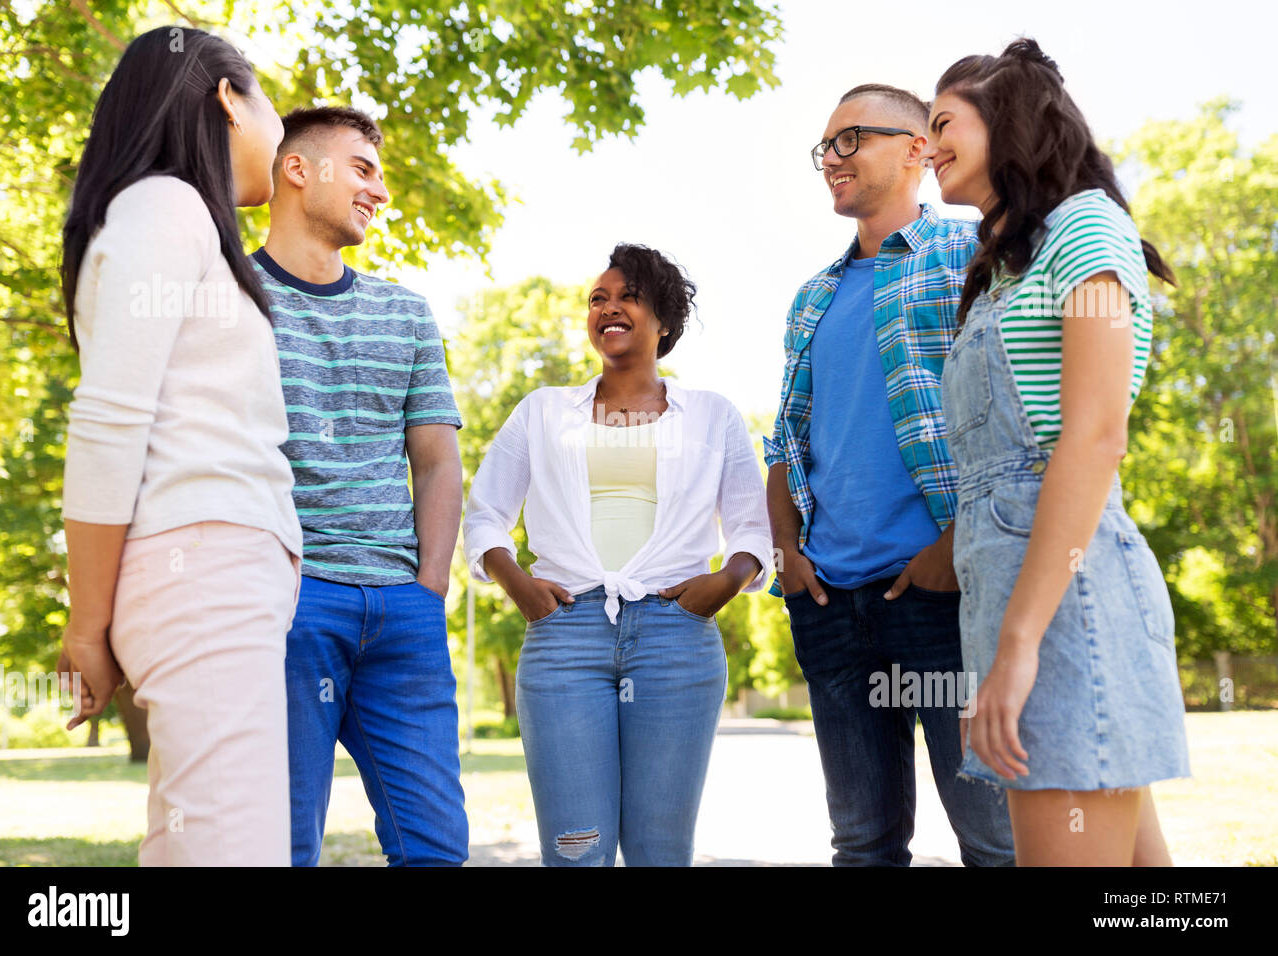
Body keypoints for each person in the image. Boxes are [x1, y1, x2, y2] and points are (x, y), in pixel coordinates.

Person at [927, 39, 1190, 865]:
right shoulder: (1002, 271)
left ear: (1005, 120)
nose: (926, 143)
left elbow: (1095, 437)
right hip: (1018, 598)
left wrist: (1020, 645)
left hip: (1065, 608)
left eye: (942, 121)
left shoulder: (1086, 226)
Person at [57, 27, 301, 866]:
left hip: (209, 572)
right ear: (227, 99)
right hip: (202, 570)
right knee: (234, 847)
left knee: (196, 842)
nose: (282, 128)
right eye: (269, 99)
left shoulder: (168, 216)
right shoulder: (167, 205)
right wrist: (87, 625)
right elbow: (108, 419)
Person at [764, 84, 1015, 866]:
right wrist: (789, 554)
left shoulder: (972, 252)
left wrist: (956, 544)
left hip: (942, 600)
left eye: (851, 140)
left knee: (997, 842)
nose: (831, 159)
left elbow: (1018, 409)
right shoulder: (812, 296)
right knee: (863, 845)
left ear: (916, 149)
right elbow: (784, 442)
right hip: (832, 605)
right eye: (824, 148)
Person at [463, 244, 773, 866]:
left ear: (664, 317)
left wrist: (727, 581)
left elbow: (752, 529)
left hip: (676, 641)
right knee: (577, 850)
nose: (608, 308)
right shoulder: (542, 412)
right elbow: (484, 516)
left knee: (661, 853)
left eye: (627, 296)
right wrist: (518, 583)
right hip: (564, 637)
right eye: (598, 299)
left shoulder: (712, 417)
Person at [251, 106, 469, 866]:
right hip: (287, 602)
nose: (380, 192)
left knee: (437, 847)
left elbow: (437, 461)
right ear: (297, 168)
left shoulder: (406, 313)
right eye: (363, 170)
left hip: (402, 610)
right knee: (280, 845)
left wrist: (428, 585)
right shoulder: (228, 296)